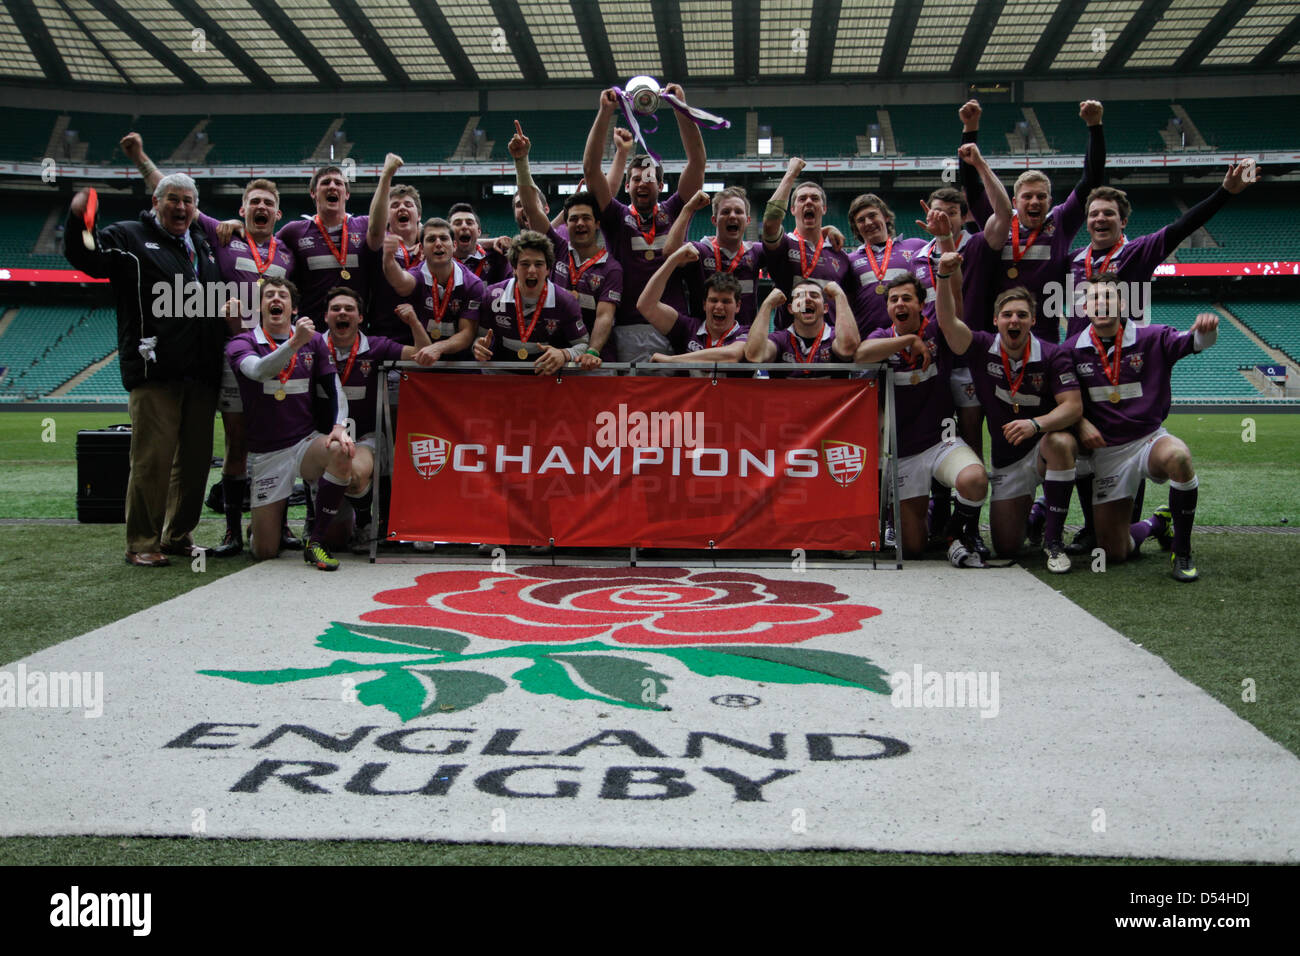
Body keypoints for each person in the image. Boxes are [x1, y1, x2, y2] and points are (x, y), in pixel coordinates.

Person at [1058, 161, 1256, 555]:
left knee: (1128, 433)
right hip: (1081, 362)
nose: (1100, 219)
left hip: (1128, 356)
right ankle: (1093, 528)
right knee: (1083, 445)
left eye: (1109, 214)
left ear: (1123, 219)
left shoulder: (1136, 251)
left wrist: (1226, 192)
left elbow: (1182, 227)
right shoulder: (1071, 259)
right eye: (1094, 213)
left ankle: (1133, 523)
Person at [121, 132, 299, 558]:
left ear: (278, 212)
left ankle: (280, 524)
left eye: (268, 203)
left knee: (283, 438)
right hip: (232, 356)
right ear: (242, 209)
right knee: (236, 442)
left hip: (277, 357)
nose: (260, 208)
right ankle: (233, 532)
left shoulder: (289, 251)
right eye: (253, 202)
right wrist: (141, 158)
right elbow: (171, 194)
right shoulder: (220, 235)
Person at [64, 174, 226, 567]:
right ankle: (141, 542)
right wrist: (79, 222)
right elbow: (88, 256)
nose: (182, 207)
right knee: (153, 461)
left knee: (195, 463)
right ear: (156, 202)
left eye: (188, 201)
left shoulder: (202, 245)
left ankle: (177, 534)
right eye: (173, 199)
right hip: (157, 374)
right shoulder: (129, 237)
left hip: (202, 375)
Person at [933, 251, 1083, 572]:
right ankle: (1038, 514)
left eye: (1021, 315)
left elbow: (1073, 406)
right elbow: (947, 322)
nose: (1014, 320)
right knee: (1007, 545)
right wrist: (943, 277)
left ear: (1033, 320)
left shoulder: (1053, 355)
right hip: (1008, 460)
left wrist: (1035, 424)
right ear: (995, 320)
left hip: (1043, 448)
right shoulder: (980, 346)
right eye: (1007, 315)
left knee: (1060, 442)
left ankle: (1054, 543)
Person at [1067, 274, 1216, 582]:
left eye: (1108, 297)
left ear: (1122, 304)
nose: (1102, 303)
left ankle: (1183, 550)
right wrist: (1080, 423)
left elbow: (1194, 342)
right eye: (1094, 298)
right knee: (1114, 551)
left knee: (1179, 457)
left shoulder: (1153, 336)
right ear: (1085, 307)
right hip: (1107, 454)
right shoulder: (1071, 350)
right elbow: (1062, 400)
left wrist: (1206, 331)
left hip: (1147, 440)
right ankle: (1157, 523)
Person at [226, 278, 354, 570]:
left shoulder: (316, 341)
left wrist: (339, 426)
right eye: (269, 295)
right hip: (267, 453)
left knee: (342, 449)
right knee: (265, 551)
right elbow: (258, 371)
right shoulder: (242, 343)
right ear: (259, 307)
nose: (276, 299)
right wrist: (296, 342)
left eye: (282, 295)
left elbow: (334, 387)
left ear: (293, 307)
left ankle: (316, 540)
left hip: (304, 442)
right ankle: (261, 524)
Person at [860, 274, 989, 565]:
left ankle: (953, 534)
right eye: (893, 300)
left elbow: (955, 311)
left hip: (942, 440)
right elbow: (861, 354)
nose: (900, 304)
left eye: (907, 298)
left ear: (921, 304)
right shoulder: (882, 337)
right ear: (888, 308)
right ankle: (930, 525)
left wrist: (947, 270)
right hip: (904, 452)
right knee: (913, 548)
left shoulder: (939, 332)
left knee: (975, 480)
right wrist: (907, 340)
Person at [961, 98, 1107, 344]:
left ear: (1051, 200)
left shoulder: (1060, 221)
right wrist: (970, 129)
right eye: (1027, 197)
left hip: (1045, 336)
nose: (1034, 202)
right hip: (997, 334)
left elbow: (1091, 180)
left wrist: (1095, 125)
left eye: (1041, 196)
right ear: (1014, 201)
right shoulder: (1000, 221)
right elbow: (972, 186)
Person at [582, 85, 706, 361]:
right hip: (624, 327)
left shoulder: (676, 209)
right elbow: (591, 171)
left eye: (649, 178)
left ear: (661, 184)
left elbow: (697, 163)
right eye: (636, 178)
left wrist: (681, 108)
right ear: (626, 185)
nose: (642, 183)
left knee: (674, 404)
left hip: (672, 326)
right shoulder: (615, 217)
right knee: (625, 404)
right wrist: (605, 113)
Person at [316, 287, 432, 553]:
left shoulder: (376, 346)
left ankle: (366, 521)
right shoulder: (311, 345)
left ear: (359, 318)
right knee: (334, 540)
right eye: (336, 309)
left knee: (355, 475)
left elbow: (425, 355)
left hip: (365, 438)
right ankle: (314, 516)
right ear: (325, 317)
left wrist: (414, 321)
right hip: (324, 440)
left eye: (349, 309)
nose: (342, 313)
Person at [510, 121, 619, 364]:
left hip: (595, 360)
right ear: (565, 223)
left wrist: (591, 351)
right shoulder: (556, 247)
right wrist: (521, 162)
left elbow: (604, 315)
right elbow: (531, 208)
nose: (580, 223)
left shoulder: (611, 268)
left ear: (597, 224)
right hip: (550, 357)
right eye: (574, 219)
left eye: (586, 218)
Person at [473, 230, 597, 373]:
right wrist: (477, 346)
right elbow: (479, 337)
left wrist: (564, 354)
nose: (531, 270)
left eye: (538, 264)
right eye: (525, 264)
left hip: (545, 379)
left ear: (548, 269)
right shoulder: (492, 295)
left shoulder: (565, 301)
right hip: (501, 376)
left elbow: (583, 345)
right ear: (514, 268)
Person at [760, 158, 857, 328]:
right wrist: (791, 174)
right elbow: (770, 223)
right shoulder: (785, 245)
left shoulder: (840, 255)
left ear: (824, 208)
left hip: (830, 345)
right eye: (802, 199)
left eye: (815, 198)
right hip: (788, 345)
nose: (809, 202)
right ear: (792, 209)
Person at [383, 217, 484, 363]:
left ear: (454, 245)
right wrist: (388, 258)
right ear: (422, 249)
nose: (438, 244)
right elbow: (400, 281)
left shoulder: (472, 284)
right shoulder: (416, 276)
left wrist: (438, 348)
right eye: (431, 239)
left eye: (443, 238)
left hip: (459, 365)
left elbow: (467, 333)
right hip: (420, 363)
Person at [663, 187, 763, 326]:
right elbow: (670, 252)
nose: (732, 216)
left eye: (738, 211)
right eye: (726, 212)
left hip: (743, 340)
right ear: (714, 220)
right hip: (703, 341)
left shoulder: (756, 252)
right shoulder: (700, 251)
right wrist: (688, 209)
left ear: (748, 220)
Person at [638, 248, 749, 369]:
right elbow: (646, 306)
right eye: (713, 300)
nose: (719, 306)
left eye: (726, 301)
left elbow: (731, 357)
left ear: (737, 306)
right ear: (704, 304)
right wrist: (672, 260)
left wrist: (671, 361)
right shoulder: (687, 327)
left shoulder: (745, 334)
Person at [743, 279, 859, 374]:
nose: (807, 299)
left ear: (825, 308)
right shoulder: (779, 339)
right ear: (791, 308)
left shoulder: (835, 337)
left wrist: (840, 295)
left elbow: (847, 349)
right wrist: (767, 304)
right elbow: (754, 355)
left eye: (814, 295)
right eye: (799, 296)